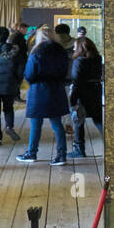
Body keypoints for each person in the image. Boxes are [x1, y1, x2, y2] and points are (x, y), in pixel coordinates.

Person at [15, 26, 70, 166]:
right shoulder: (61, 52)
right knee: (57, 124)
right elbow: (65, 73)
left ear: (39, 37)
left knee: (36, 124)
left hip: (38, 91)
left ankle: (32, 153)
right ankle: (61, 156)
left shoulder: (36, 52)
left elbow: (29, 75)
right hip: (56, 90)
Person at [68, 36, 103, 158]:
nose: (73, 48)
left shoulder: (79, 61)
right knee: (98, 119)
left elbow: (77, 81)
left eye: (75, 46)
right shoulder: (97, 59)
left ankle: (79, 149)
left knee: (78, 121)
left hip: (82, 93)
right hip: (95, 91)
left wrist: (72, 100)